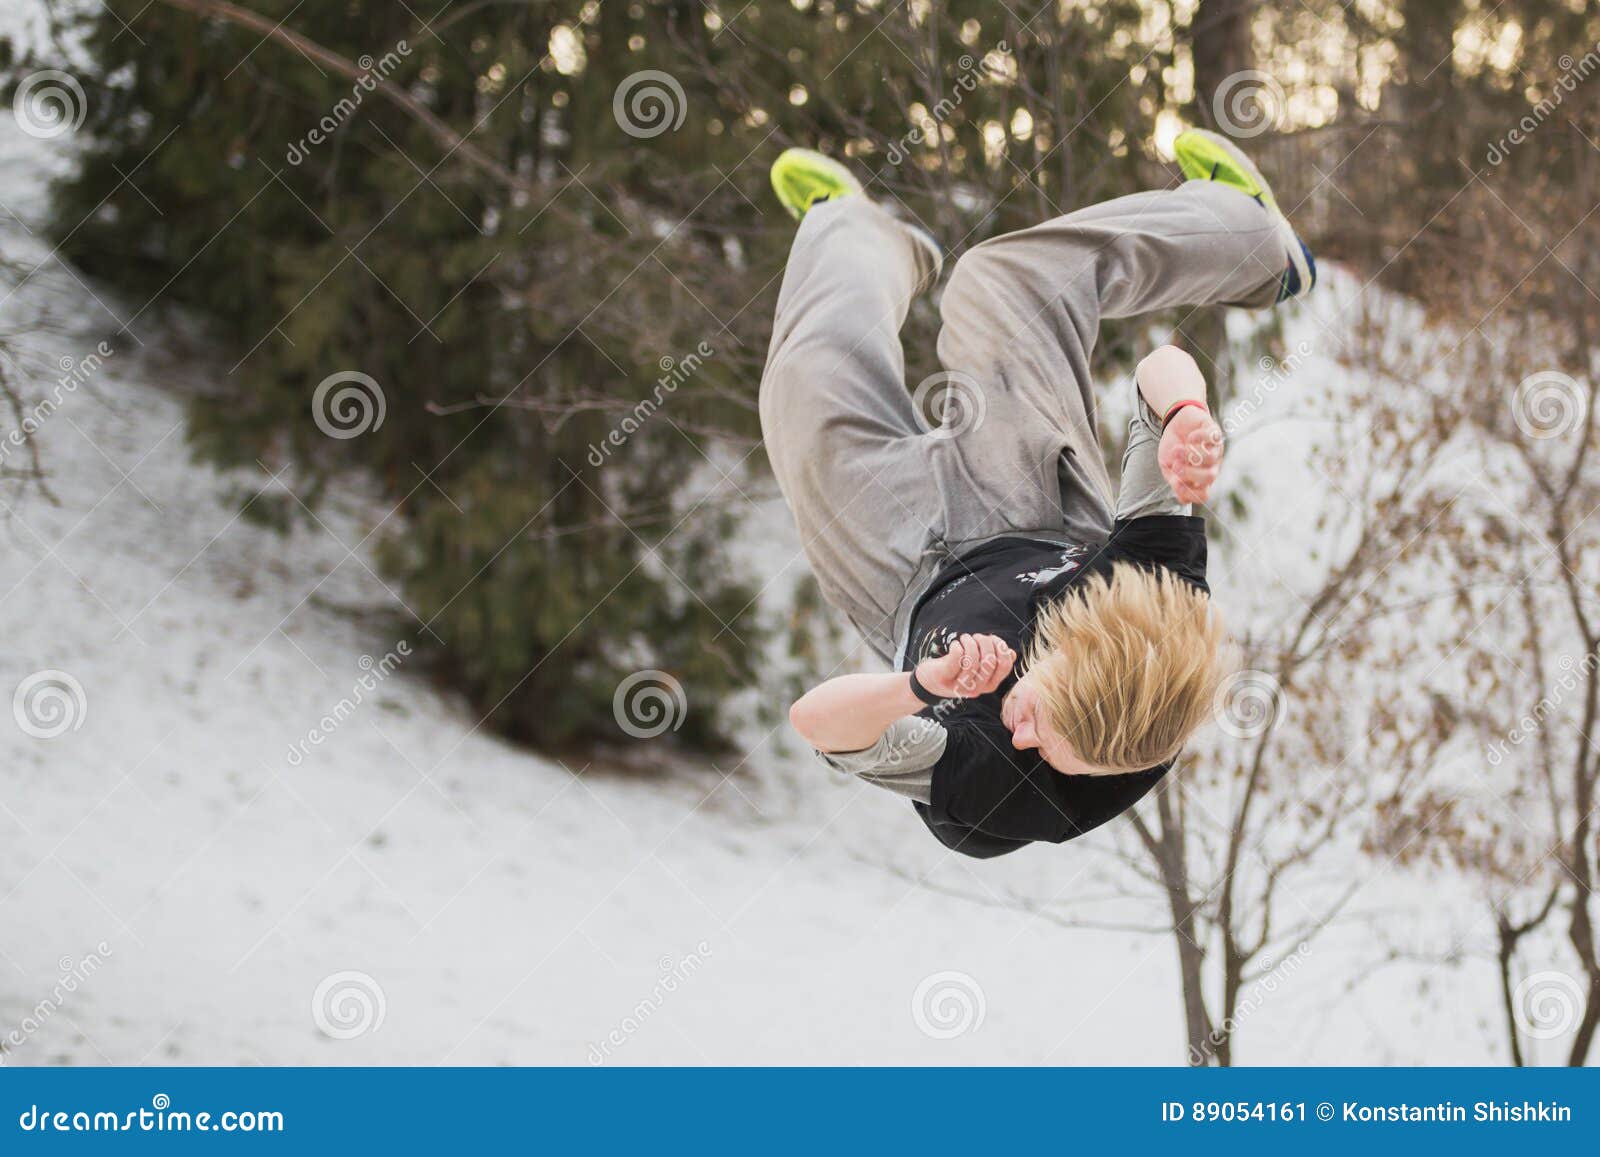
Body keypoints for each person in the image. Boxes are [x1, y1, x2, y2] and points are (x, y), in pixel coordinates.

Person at [761, 130, 1315, 858]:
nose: (1022, 734)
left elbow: (819, 721)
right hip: (1031, 508)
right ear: (1080, 640)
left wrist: (921, 688)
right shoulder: (1153, 602)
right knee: (1004, 282)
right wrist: (1184, 418)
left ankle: (857, 234)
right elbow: (1164, 366)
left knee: (801, 392)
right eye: (1041, 719)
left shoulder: (1008, 783)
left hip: (898, 580)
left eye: (1047, 748)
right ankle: (1248, 236)